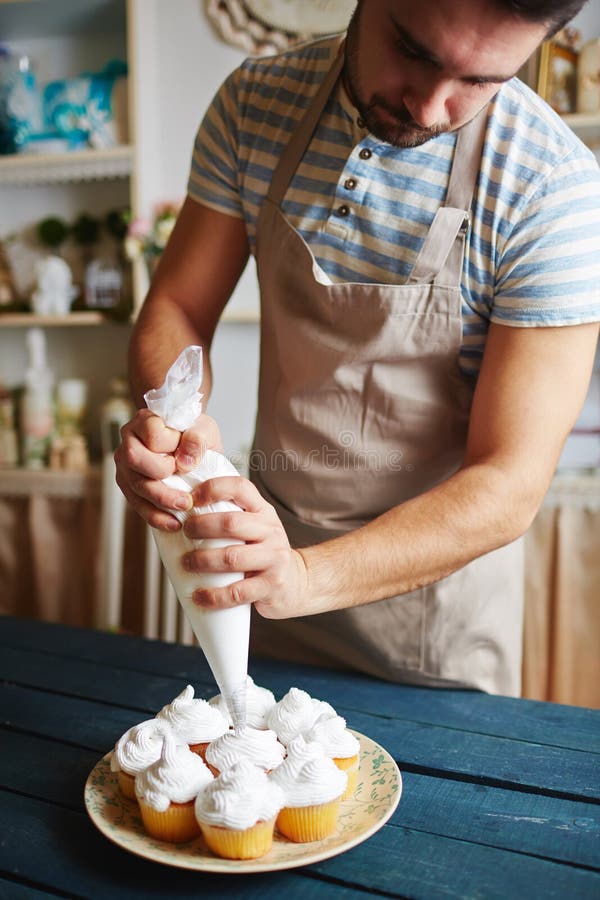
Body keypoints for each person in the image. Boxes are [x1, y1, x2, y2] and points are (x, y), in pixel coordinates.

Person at [116, 0, 600, 696]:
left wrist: (306, 575)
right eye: (414, 50)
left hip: (432, 633)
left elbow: (508, 484)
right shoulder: (256, 104)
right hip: (261, 586)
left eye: (482, 81)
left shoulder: (552, 186)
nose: (431, 107)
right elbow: (178, 306)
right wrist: (176, 416)